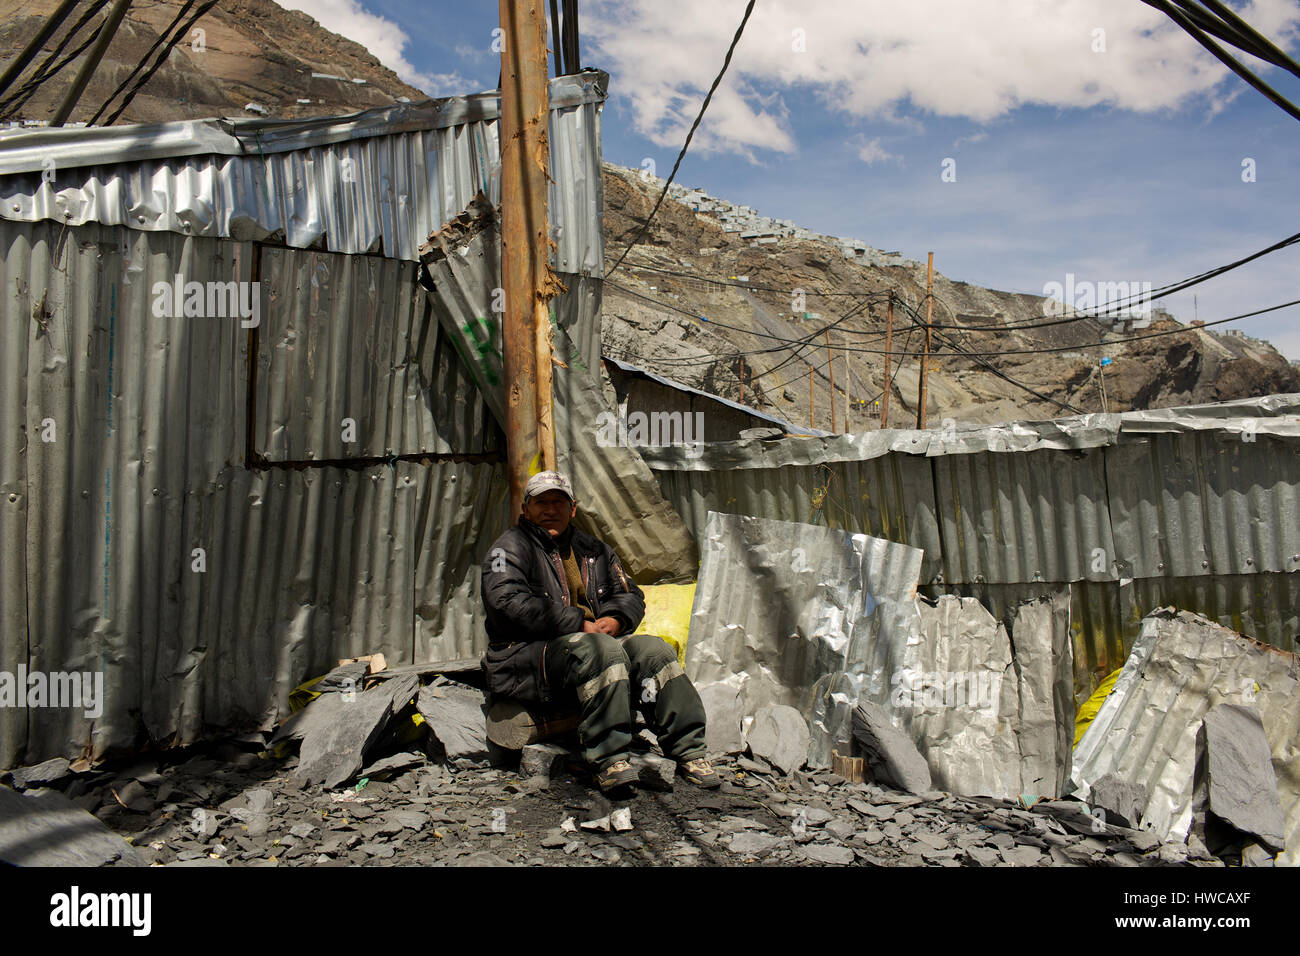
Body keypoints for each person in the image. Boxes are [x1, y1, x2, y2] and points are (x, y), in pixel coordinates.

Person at [480, 470, 720, 793]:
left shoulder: (593, 550)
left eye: (558, 502)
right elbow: (505, 601)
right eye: (541, 503)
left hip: (584, 651)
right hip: (525, 659)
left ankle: (689, 751)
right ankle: (609, 761)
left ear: (573, 509)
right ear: (526, 510)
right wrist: (577, 623)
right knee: (599, 649)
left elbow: (630, 594)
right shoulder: (508, 549)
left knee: (654, 651)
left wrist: (616, 620)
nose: (550, 509)